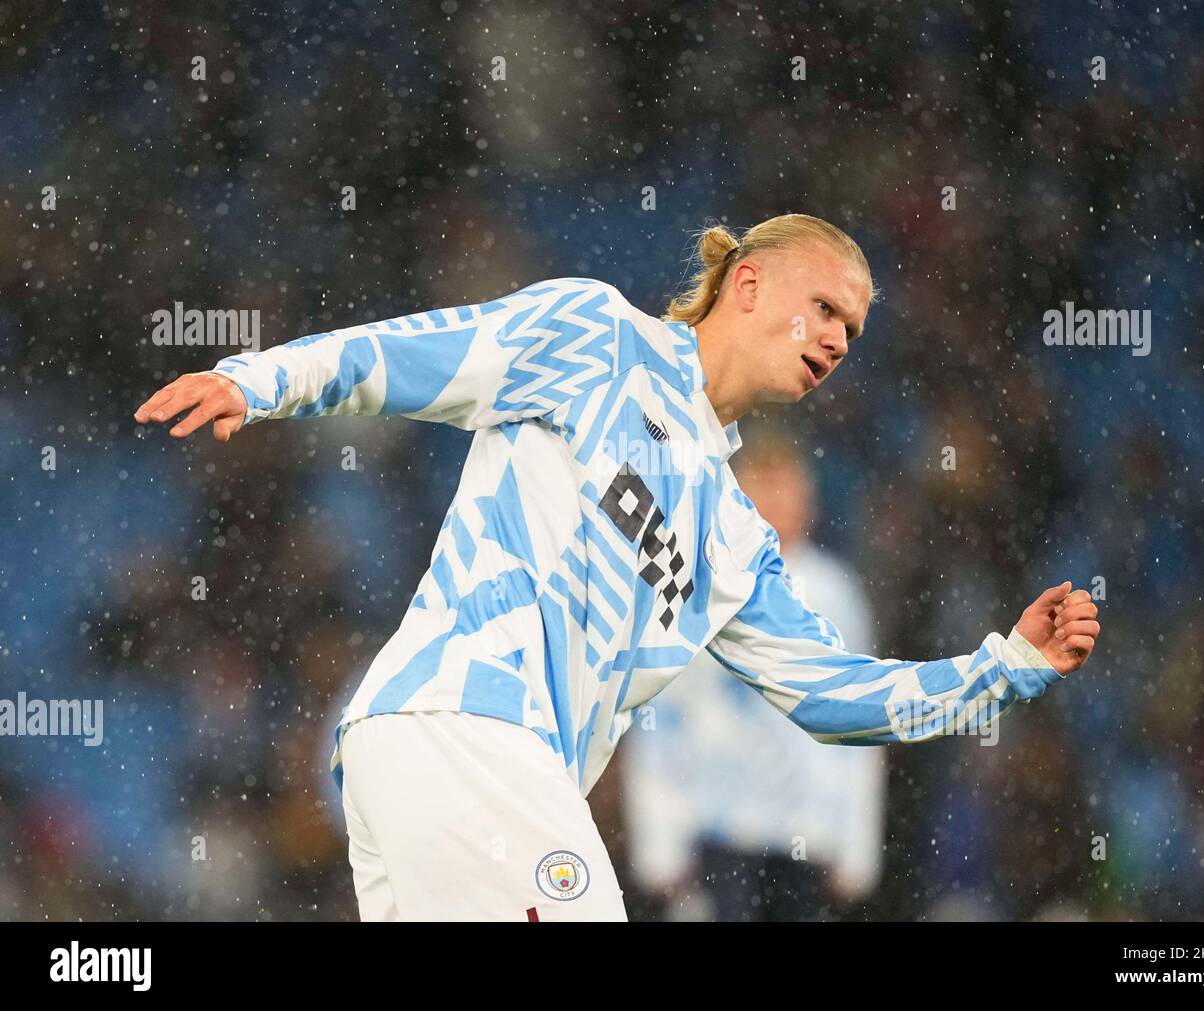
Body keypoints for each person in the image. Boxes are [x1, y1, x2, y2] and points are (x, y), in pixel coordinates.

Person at [133, 213, 1101, 921]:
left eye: (852, 328)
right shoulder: (594, 338)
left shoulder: (731, 534)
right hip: (465, 727)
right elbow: (415, 354)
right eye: (825, 307)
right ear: (748, 285)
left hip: (464, 764)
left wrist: (1007, 666)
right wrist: (256, 380)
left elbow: (837, 697)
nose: (840, 339)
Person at [619, 432, 886, 921]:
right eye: (767, 487)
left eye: (790, 488)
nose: (781, 504)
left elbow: (863, 720)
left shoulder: (834, 592)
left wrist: (856, 842)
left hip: (805, 833)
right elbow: (659, 710)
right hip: (717, 830)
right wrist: (658, 837)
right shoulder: (699, 581)